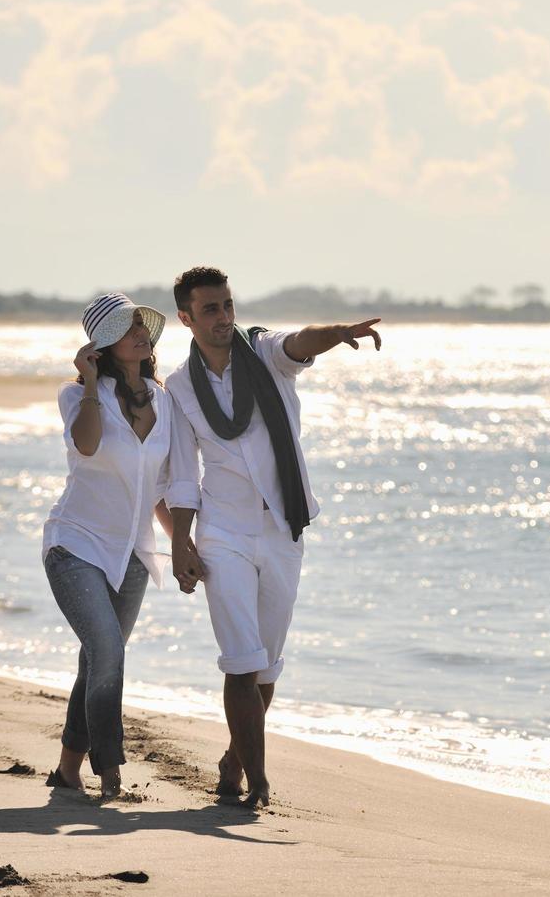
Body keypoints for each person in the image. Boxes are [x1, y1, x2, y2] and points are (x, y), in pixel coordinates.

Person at [164, 266, 381, 808]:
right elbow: (183, 474)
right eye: (209, 309)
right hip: (223, 531)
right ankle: (255, 784)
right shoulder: (179, 387)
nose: (223, 317)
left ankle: (235, 758)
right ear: (186, 318)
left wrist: (337, 333)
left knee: (266, 666)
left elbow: (297, 344)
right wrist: (181, 542)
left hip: (282, 525)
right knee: (241, 658)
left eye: (227, 305)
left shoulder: (263, 356)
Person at [40, 292, 175, 800]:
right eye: (125, 328)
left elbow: (160, 489)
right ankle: (111, 768)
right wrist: (92, 382)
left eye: (140, 323)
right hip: (75, 544)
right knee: (107, 649)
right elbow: (89, 444)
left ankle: (67, 771)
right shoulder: (75, 396)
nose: (139, 332)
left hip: (133, 555)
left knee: (96, 659)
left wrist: (182, 543)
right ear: (102, 347)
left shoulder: (165, 403)